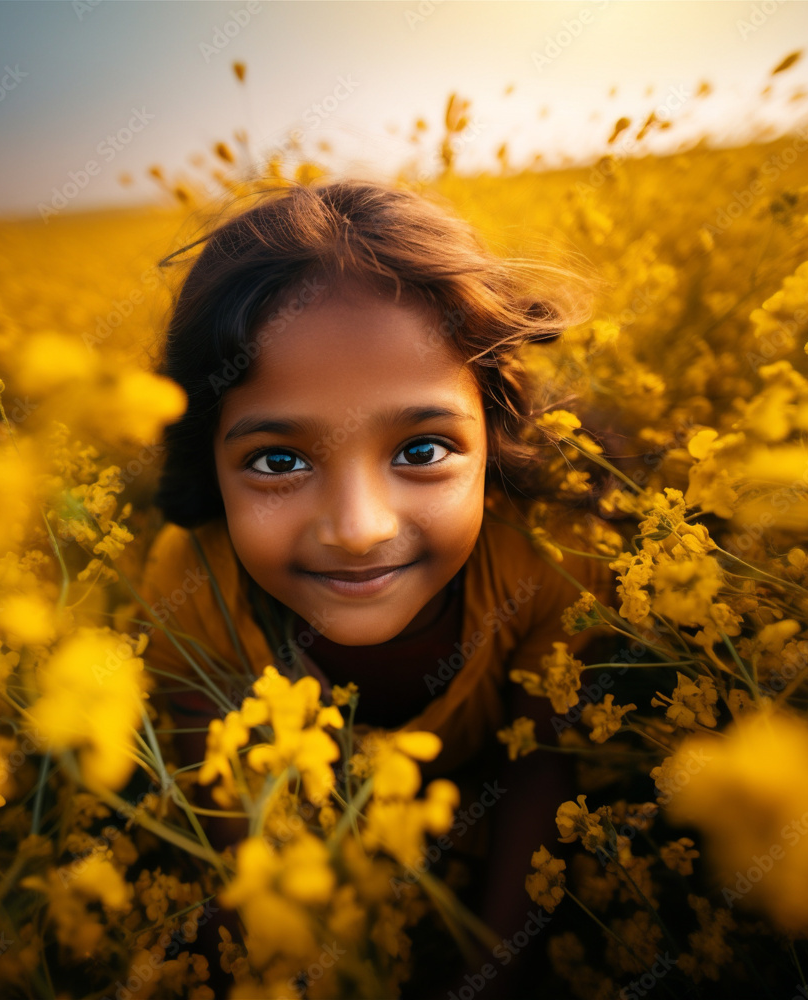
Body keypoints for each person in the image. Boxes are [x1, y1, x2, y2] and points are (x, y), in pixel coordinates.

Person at [137, 179, 614, 996]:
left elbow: (541, 776)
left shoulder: (550, 560)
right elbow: (236, 860)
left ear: (494, 437)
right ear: (207, 465)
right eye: (279, 461)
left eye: (422, 450)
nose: (358, 528)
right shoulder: (191, 590)